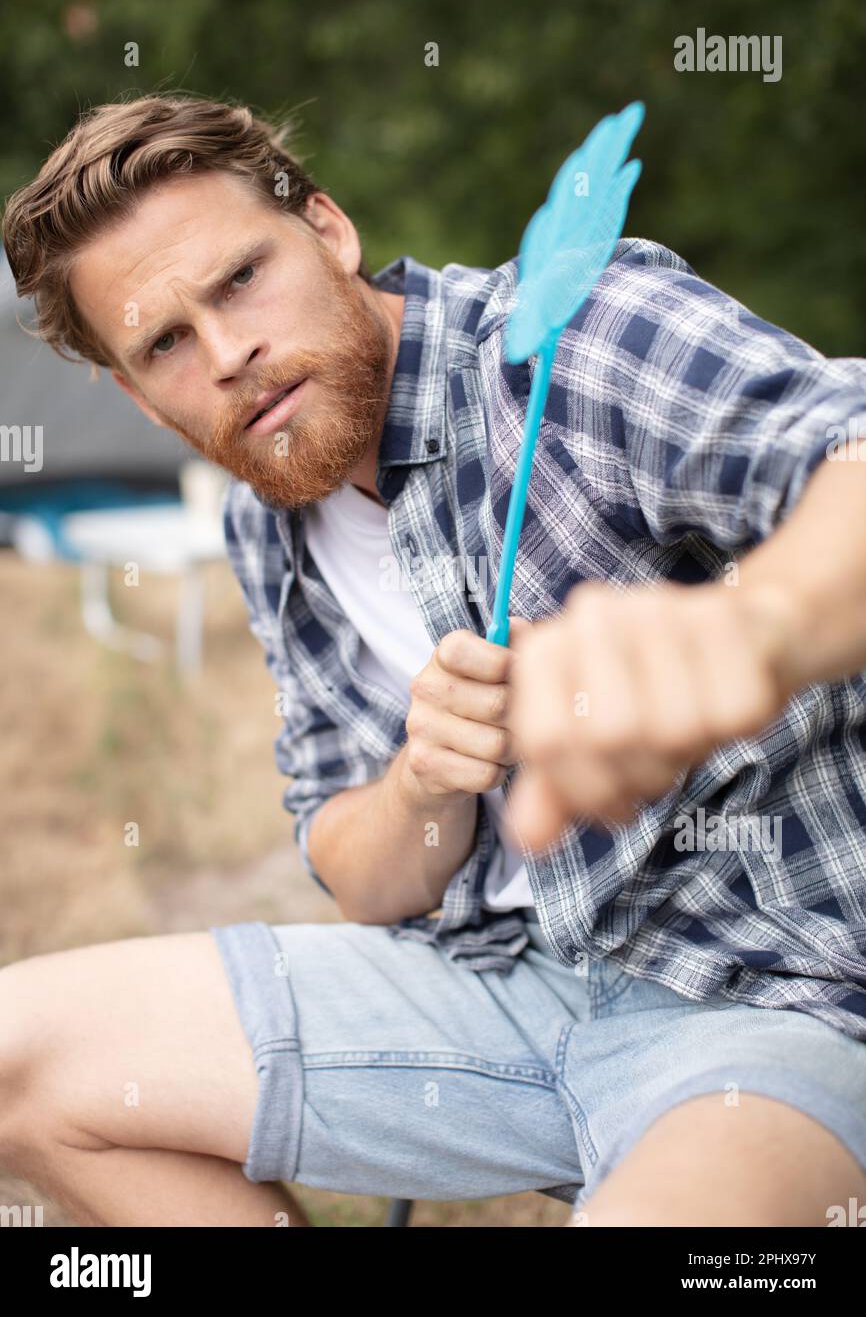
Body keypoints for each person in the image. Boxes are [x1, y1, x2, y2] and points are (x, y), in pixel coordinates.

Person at [2, 93, 866, 1228]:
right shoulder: (267, 517)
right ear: (133, 395)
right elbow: (358, 873)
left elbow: (844, 455)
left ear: (328, 227)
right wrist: (421, 779)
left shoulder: (574, 340)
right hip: (498, 990)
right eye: (165, 342)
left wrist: (747, 631)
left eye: (239, 280)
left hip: (769, 1000)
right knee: (23, 1062)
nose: (228, 356)